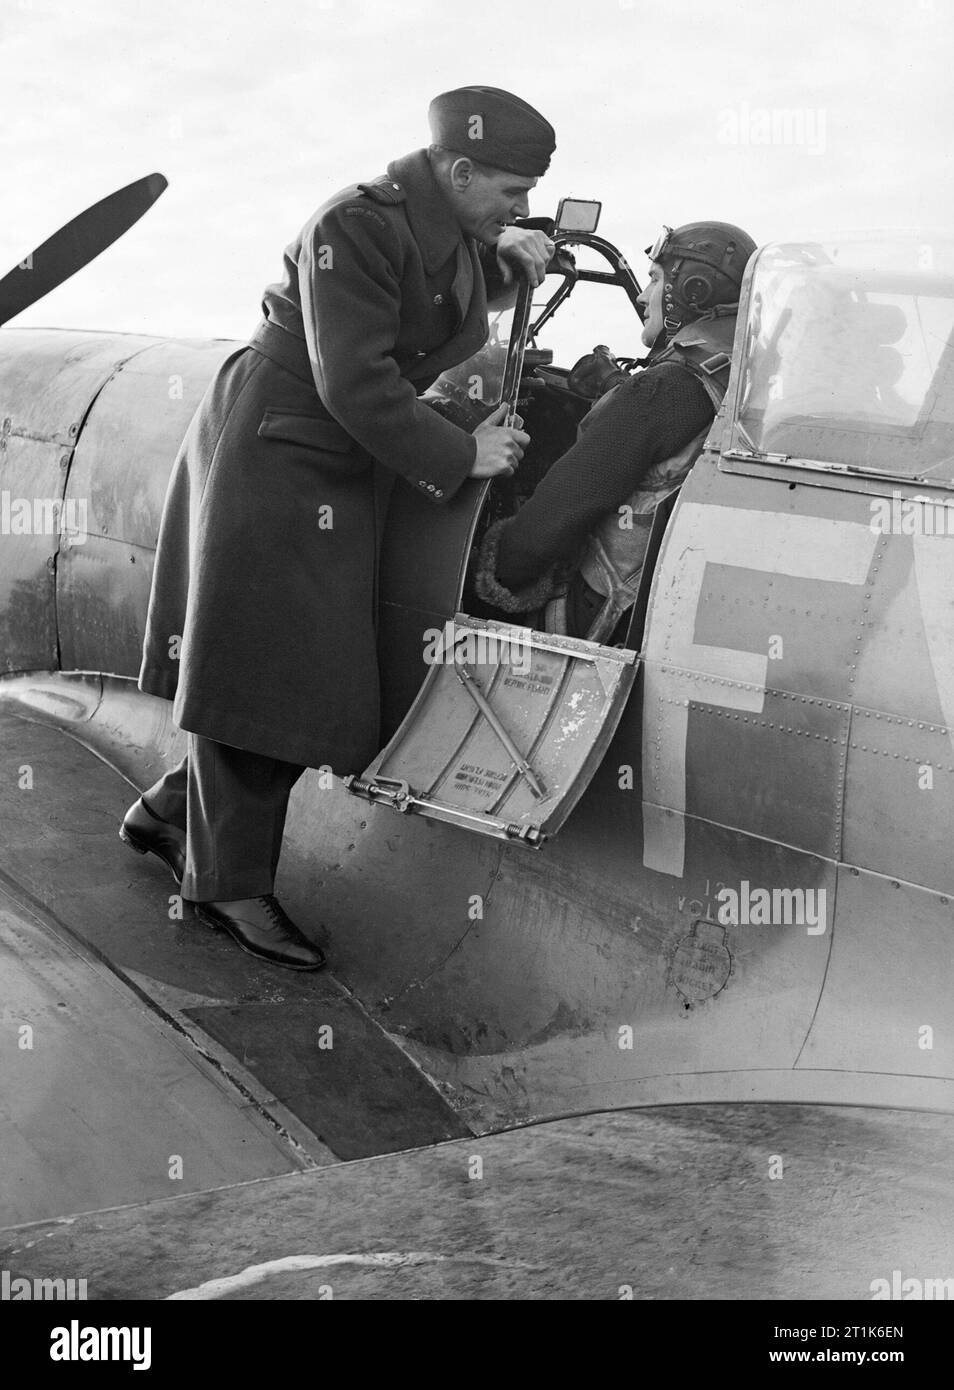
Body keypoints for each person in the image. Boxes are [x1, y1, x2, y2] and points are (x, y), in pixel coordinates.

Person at [120, 87, 556, 970]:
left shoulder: (448, 229)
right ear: (457, 169)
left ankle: (171, 811)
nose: (520, 208)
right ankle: (225, 885)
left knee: (309, 669)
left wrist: (511, 258)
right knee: (264, 664)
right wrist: (457, 454)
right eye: (509, 193)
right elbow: (356, 378)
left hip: (340, 459)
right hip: (280, 450)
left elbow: (429, 299)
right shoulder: (352, 226)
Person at [475, 221, 757, 642]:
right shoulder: (743, 373)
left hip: (605, 616)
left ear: (693, 291)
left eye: (656, 280)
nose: (644, 296)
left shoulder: (662, 389)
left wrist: (489, 575)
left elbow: (551, 522)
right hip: (668, 606)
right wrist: (616, 390)